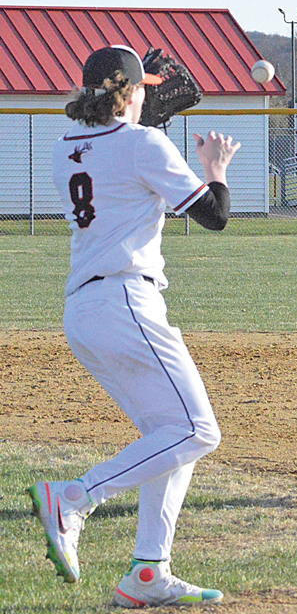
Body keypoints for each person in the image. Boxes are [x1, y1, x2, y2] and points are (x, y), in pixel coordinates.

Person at [28, 45, 240, 607]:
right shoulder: (146, 143)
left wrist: (139, 112)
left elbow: (113, 157)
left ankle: (148, 571)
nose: (150, 91)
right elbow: (214, 216)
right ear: (127, 92)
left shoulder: (63, 147)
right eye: (141, 85)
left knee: (168, 436)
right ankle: (74, 497)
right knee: (198, 431)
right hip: (126, 302)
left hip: (85, 309)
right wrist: (215, 169)